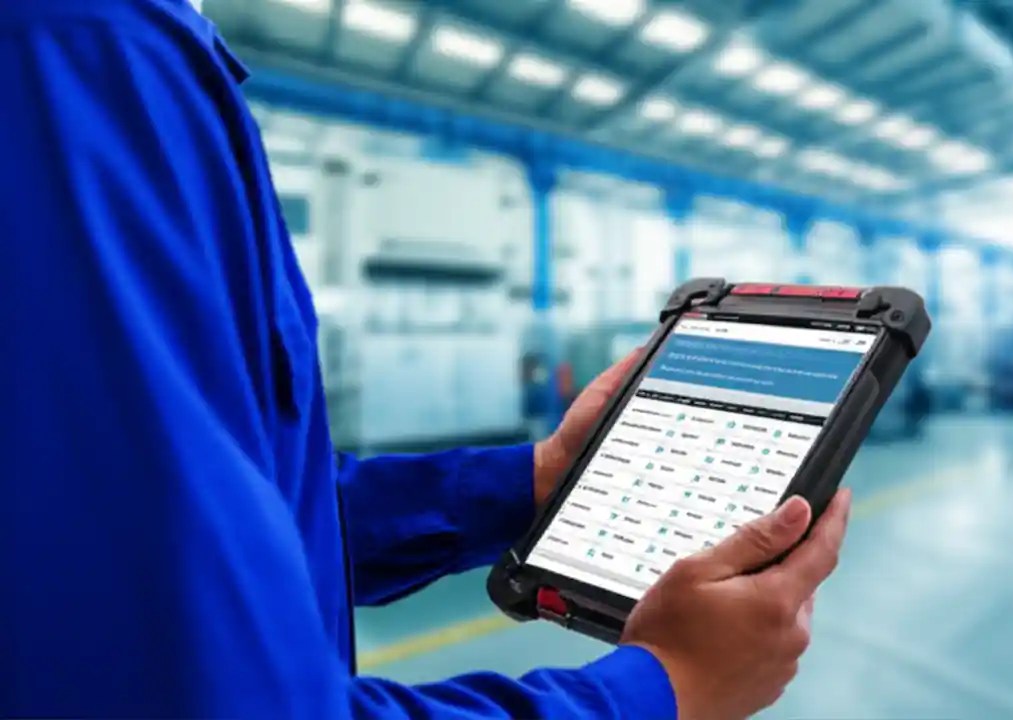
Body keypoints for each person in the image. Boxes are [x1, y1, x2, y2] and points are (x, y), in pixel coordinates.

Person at [0, 0, 852, 717]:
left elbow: (231, 512)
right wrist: (658, 688)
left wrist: (531, 483)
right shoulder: (78, 53)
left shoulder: (127, 50)